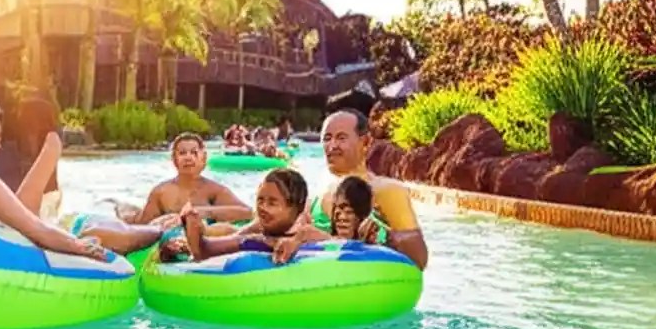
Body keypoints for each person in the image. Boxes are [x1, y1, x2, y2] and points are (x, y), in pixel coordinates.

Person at [0, 88, 163, 258]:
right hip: (26, 239)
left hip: (6, 233)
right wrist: (79, 247)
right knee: (122, 235)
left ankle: (51, 154)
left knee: (45, 213)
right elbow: (37, 232)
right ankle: (161, 227)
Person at [308, 109, 429, 269]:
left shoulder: (386, 191)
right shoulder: (318, 193)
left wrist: (384, 239)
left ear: (365, 142)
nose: (332, 146)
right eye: (327, 139)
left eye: (341, 138)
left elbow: (419, 260)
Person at [177, 168, 320, 264]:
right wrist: (191, 230)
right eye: (260, 200)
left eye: (272, 203)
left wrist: (296, 240)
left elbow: (326, 238)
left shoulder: (305, 232)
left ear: (296, 208)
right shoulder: (256, 235)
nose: (263, 208)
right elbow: (208, 249)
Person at [125, 132, 253, 230]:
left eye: (194, 153)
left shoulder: (213, 190)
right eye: (182, 153)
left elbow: (248, 212)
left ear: (204, 158)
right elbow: (143, 226)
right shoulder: (161, 192)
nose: (188, 158)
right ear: (174, 160)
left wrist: (204, 212)